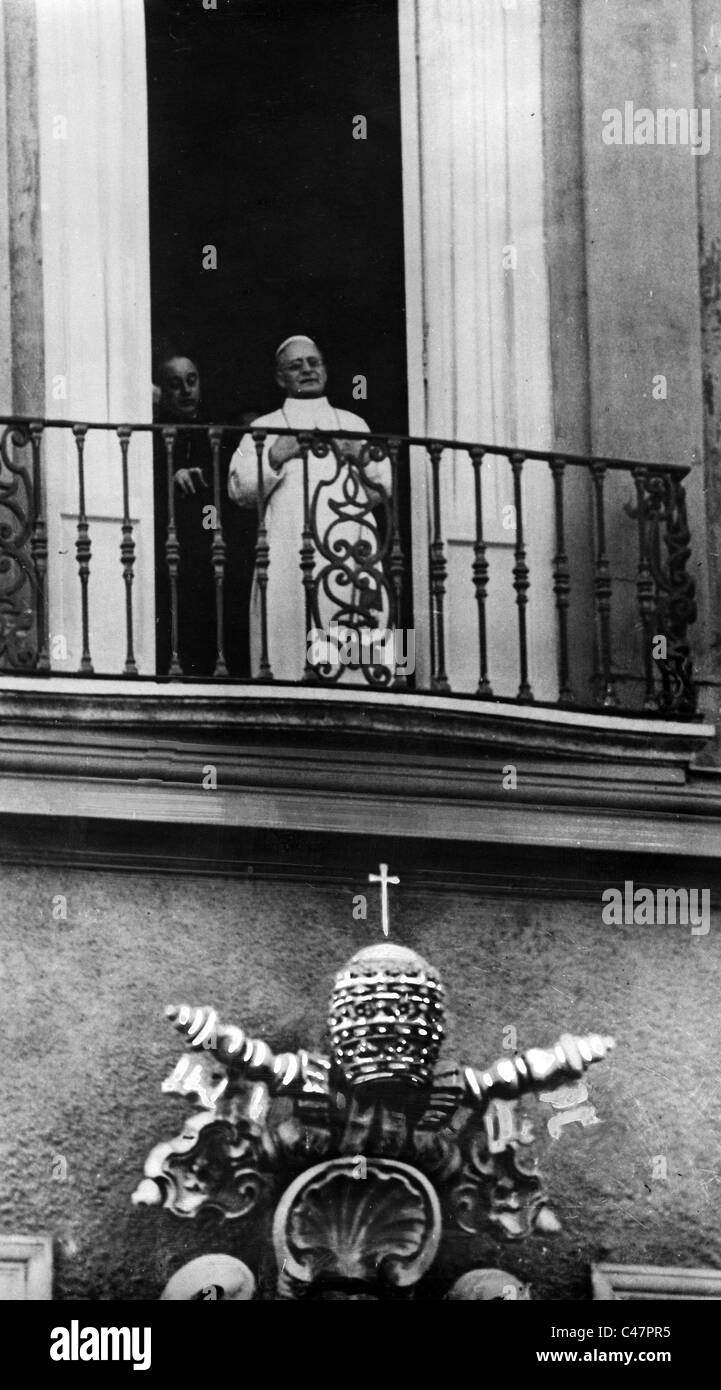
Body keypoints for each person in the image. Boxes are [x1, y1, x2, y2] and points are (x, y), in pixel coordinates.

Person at [227, 335, 392, 681]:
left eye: (313, 362)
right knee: (289, 647)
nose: (307, 370)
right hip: (287, 553)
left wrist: (359, 456)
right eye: (295, 365)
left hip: (351, 550)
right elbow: (237, 490)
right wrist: (274, 455)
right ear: (279, 378)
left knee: (356, 650)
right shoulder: (262, 429)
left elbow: (384, 487)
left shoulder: (354, 424)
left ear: (325, 371)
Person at [153, 348, 250, 676]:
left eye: (191, 381)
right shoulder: (154, 432)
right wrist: (171, 475)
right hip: (173, 542)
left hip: (214, 538)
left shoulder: (217, 427)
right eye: (175, 384)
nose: (185, 391)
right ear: (161, 391)